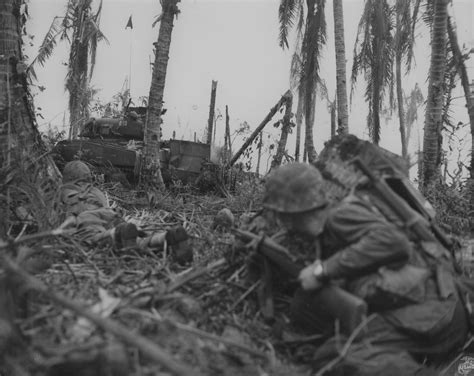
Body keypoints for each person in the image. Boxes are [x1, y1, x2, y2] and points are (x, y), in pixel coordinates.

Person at [249, 162, 469, 375]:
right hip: (426, 312)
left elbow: (394, 242)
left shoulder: (339, 215)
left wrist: (322, 271)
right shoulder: (326, 229)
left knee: (338, 355)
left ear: (291, 211)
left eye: (279, 213)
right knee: (332, 345)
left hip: (436, 317)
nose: (279, 221)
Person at [59, 160, 192, 263]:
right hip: (110, 215)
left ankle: (116, 234)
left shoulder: (63, 191)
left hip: (86, 217)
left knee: (90, 241)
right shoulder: (96, 191)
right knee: (133, 239)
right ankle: (164, 238)